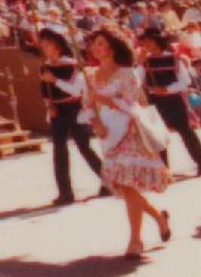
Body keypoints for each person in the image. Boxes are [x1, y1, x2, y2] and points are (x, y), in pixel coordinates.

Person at [84, 26, 172, 260]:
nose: (96, 48)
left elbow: (132, 104)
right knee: (124, 186)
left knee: (128, 183)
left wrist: (104, 98)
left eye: (101, 43)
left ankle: (135, 240)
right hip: (107, 134)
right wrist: (96, 125)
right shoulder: (90, 75)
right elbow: (87, 105)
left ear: (113, 47)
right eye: (94, 44)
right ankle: (158, 217)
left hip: (128, 131)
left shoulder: (126, 73)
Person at [38, 28, 105, 206]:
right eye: (42, 45)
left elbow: (77, 90)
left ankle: (109, 181)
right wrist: (49, 106)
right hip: (57, 112)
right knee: (59, 151)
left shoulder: (73, 65)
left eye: (47, 45)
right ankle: (65, 192)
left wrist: (55, 81)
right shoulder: (44, 67)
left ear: (57, 46)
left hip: (74, 109)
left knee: (84, 147)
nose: (44, 48)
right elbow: (44, 92)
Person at [138, 28, 201, 177]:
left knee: (186, 131)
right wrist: (139, 63)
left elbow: (185, 81)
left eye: (149, 41)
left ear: (158, 43)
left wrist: (167, 89)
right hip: (155, 101)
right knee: (159, 135)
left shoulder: (174, 58)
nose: (146, 44)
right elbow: (138, 81)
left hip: (174, 99)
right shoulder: (145, 61)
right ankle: (164, 170)